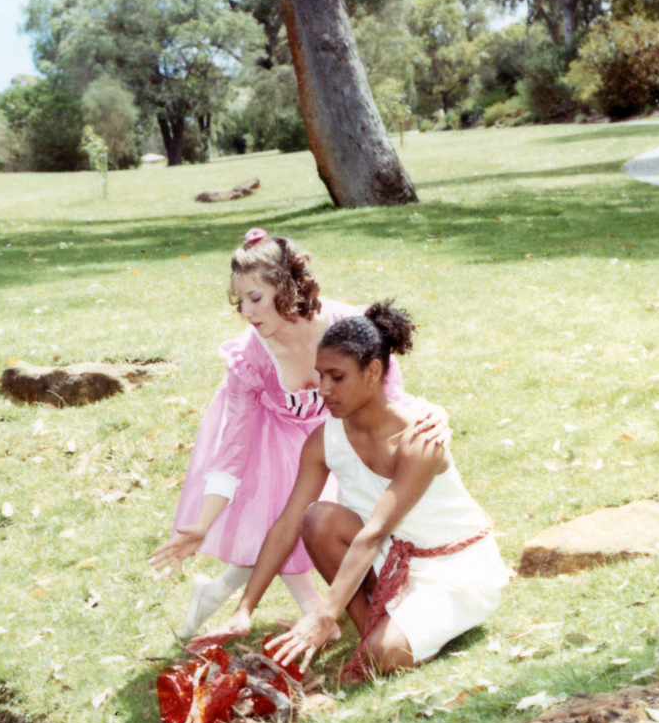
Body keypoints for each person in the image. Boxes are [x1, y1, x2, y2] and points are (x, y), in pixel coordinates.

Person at [148, 228, 449, 639]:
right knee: (278, 509)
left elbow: (389, 397)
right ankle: (305, 608)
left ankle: (251, 597)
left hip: (338, 431)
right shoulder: (251, 356)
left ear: (286, 289)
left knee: (355, 513)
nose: (247, 312)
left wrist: (434, 414)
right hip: (271, 431)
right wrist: (201, 525)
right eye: (241, 301)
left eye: (256, 298)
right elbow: (232, 451)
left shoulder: (347, 328)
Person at [199, 302, 509, 682]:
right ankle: (373, 632)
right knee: (317, 518)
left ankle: (388, 641)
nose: (322, 389)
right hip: (390, 563)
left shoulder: (419, 439)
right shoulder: (323, 440)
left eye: (336, 377)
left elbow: (374, 532)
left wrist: (324, 613)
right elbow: (287, 525)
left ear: (373, 372)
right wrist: (243, 610)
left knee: (383, 657)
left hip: (454, 571)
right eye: (320, 375)